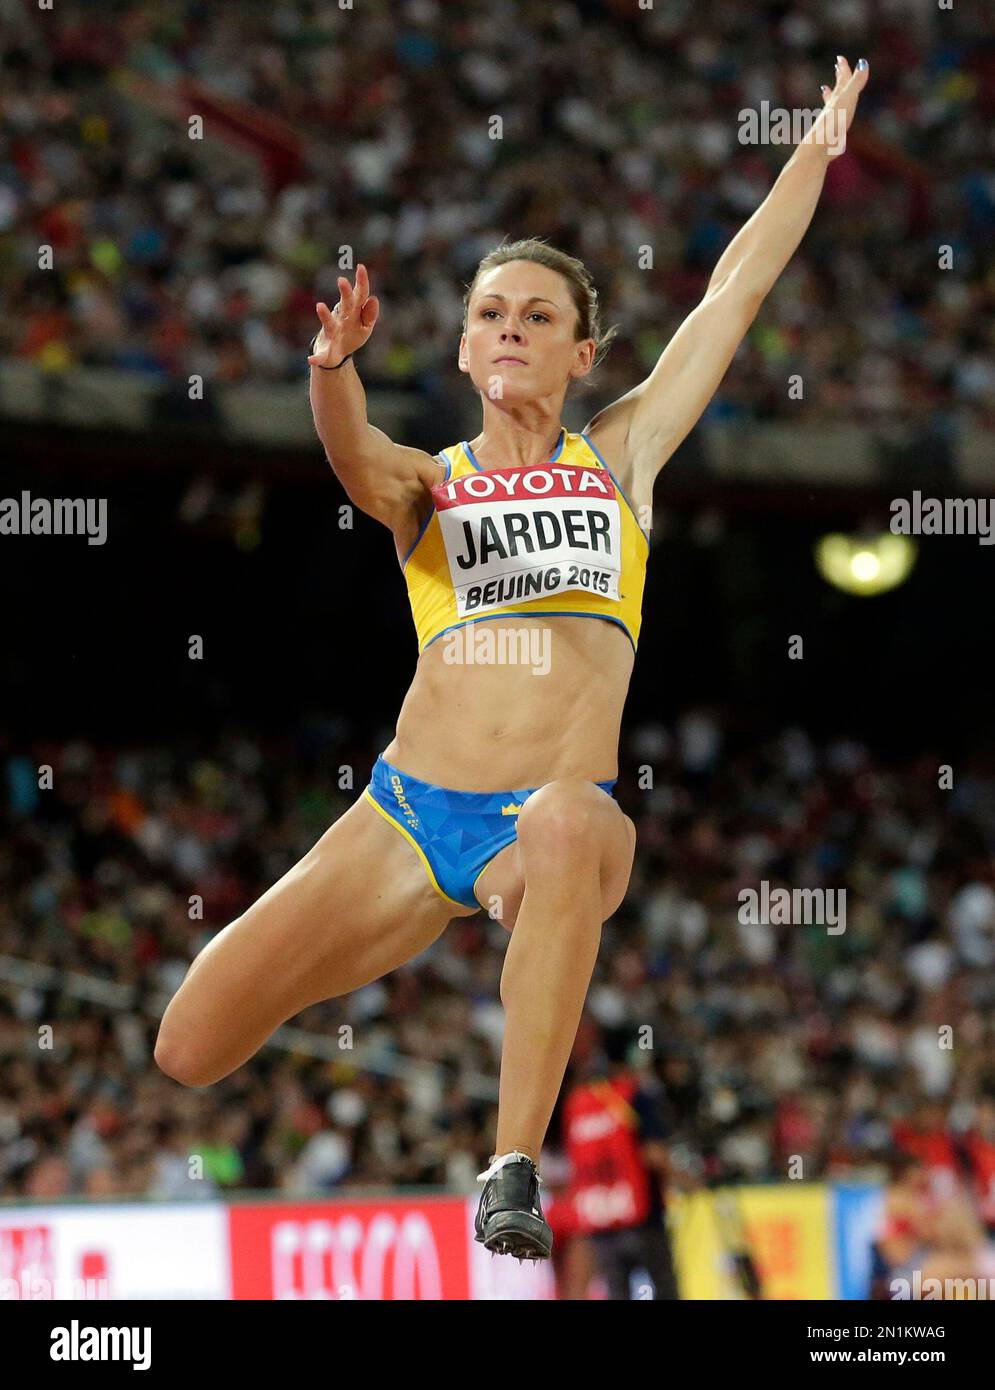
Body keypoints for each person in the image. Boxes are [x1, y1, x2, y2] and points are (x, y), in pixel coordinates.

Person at [154, 59, 869, 1261]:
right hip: (400, 812)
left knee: (570, 824)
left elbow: (731, 298)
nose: (511, 330)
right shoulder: (431, 482)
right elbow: (349, 454)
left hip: (540, 826)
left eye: (539, 316)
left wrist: (812, 151)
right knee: (189, 1045)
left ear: (582, 354)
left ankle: (510, 1166)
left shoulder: (621, 458)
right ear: (462, 345)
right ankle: (391, 948)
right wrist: (330, 369)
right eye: (491, 312)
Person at [560, 1026, 680, 1299]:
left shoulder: (579, 1102)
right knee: (665, 1289)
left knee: (617, 1293)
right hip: (643, 1218)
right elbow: (654, 1154)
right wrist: (686, 1179)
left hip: (600, 1222)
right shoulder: (636, 1096)